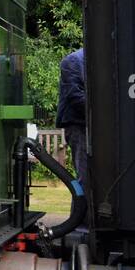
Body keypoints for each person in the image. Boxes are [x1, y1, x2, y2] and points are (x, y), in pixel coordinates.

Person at [55, 47, 87, 195]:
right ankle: (80, 216)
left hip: (90, 123)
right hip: (78, 125)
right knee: (85, 177)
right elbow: (75, 96)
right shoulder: (73, 61)